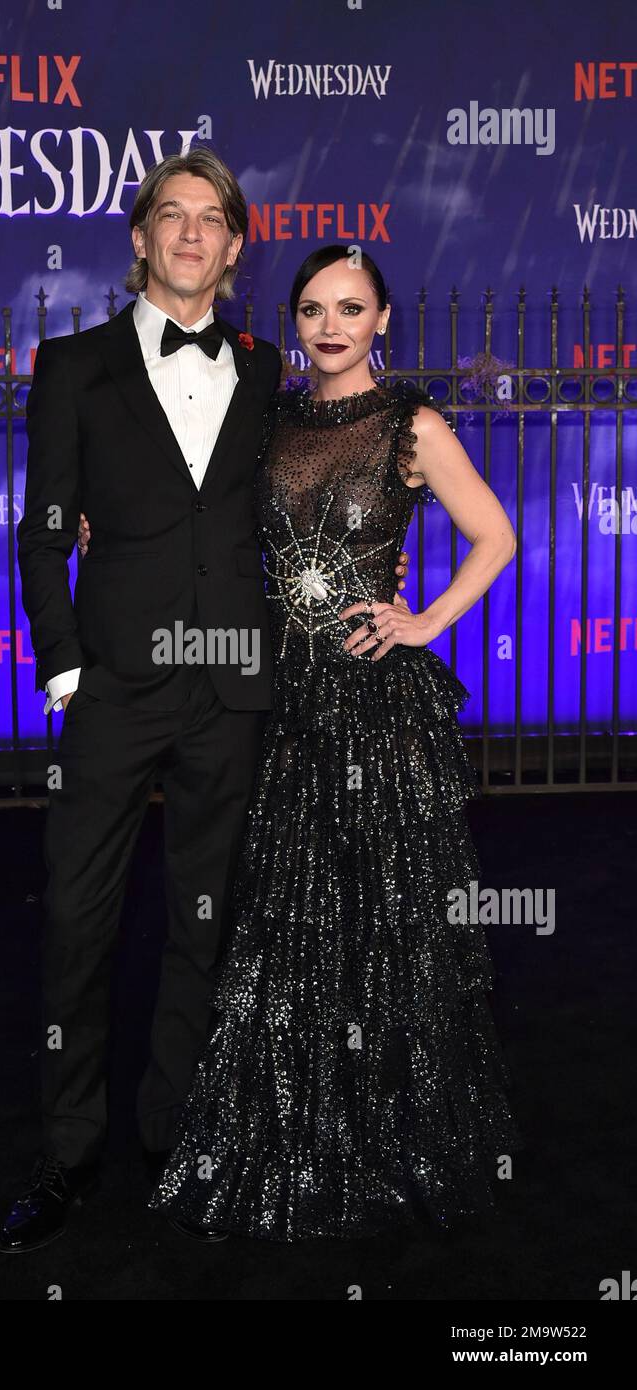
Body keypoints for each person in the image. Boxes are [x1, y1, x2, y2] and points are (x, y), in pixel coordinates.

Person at [0, 148, 413, 1254]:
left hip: (234, 689)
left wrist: (391, 562)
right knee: (79, 923)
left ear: (234, 249)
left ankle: (173, 1134)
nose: (188, 234)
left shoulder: (272, 365)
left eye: (210, 219)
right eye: (168, 216)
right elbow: (43, 529)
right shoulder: (71, 365)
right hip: (113, 691)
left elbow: (321, 489)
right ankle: (67, 1148)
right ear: (139, 240)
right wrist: (69, 669)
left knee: (202, 926)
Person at [145, 244, 523, 1242]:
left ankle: (391, 1126)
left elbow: (494, 533)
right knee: (293, 914)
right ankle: (304, 1117)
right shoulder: (269, 420)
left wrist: (422, 619)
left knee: (388, 913)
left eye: (349, 309)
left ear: (381, 320)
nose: (327, 326)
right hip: (286, 701)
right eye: (311, 308)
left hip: (374, 702)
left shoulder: (410, 425)